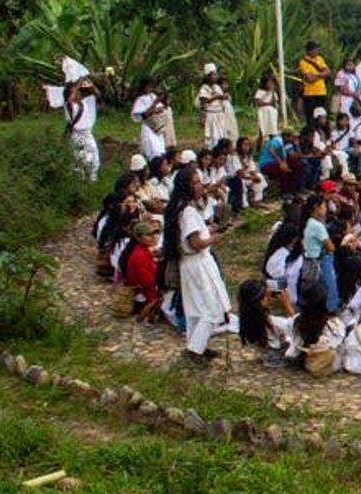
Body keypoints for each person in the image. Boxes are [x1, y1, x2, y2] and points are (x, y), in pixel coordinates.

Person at [163, 165, 235, 367]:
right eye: (195, 182)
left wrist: (209, 229)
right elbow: (195, 242)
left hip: (191, 264)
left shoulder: (181, 208)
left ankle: (197, 344)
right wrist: (214, 238)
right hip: (197, 264)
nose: (199, 186)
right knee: (210, 307)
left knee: (195, 307)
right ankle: (194, 349)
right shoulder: (187, 211)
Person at [64, 77, 100, 180]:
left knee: (94, 157)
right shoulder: (69, 106)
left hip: (88, 134)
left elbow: (97, 94)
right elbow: (70, 101)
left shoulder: (85, 102)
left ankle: (92, 179)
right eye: (75, 92)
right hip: (77, 135)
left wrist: (91, 84)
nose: (78, 93)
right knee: (79, 159)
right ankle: (80, 180)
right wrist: (78, 84)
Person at [197, 64, 240, 148]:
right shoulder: (204, 88)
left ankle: (221, 149)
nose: (216, 76)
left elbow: (221, 97)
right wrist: (217, 97)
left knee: (222, 134)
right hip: (212, 115)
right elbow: (204, 101)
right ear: (208, 76)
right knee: (214, 135)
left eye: (216, 74)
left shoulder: (216, 87)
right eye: (214, 75)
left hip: (220, 114)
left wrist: (224, 97)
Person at [132, 79, 172, 158]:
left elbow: (161, 108)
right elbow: (142, 115)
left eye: (151, 86)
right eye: (148, 86)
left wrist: (162, 104)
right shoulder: (140, 99)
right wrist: (154, 104)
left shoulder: (152, 96)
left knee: (160, 148)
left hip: (157, 127)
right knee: (152, 149)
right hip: (148, 127)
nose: (150, 88)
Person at [299, 41, 332, 119]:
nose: (317, 51)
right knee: (311, 117)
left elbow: (328, 72)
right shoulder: (303, 62)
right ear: (309, 51)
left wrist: (316, 75)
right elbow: (309, 79)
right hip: (310, 93)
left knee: (323, 116)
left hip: (321, 91)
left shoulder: (320, 59)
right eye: (315, 49)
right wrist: (322, 75)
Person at [255, 74, 281, 139]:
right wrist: (268, 103)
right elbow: (258, 102)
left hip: (272, 113)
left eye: (272, 82)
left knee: (272, 128)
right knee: (263, 127)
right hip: (264, 112)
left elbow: (274, 102)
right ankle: (261, 140)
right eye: (269, 82)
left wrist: (272, 91)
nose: (271, 84)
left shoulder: (273, 93)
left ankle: (272, 139)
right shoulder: (260, 91)